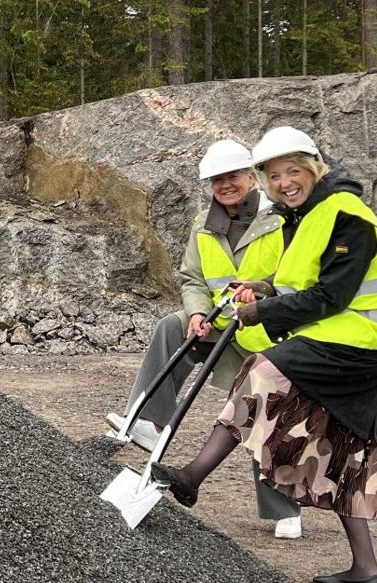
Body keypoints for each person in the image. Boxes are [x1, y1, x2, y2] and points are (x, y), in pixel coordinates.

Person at [150, 126, 377, 583]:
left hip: (360, 342)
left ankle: (193, 474)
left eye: (294, 171)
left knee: (261, 372)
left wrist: (261, 310)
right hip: (347, 340)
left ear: (314, 167)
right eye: (275, 175)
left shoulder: (346, 214)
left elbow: (332, 294)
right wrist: (267, 289)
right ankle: (366, 568)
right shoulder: (303, 216)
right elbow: (304, 281)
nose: (285, 182)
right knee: (346, 442)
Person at [106, 139, 303, 538]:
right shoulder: (203, 224)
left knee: (262, 404)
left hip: (264, 328)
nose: (225, 185)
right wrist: (197, 312)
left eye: (232, 176)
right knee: (171, 326)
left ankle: (284, 506)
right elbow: (192, 278)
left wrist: (262, 291)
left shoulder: (282, 220)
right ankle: (147, 421)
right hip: (217, 326)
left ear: (251, 176)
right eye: (217, 180)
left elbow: (298, 278)